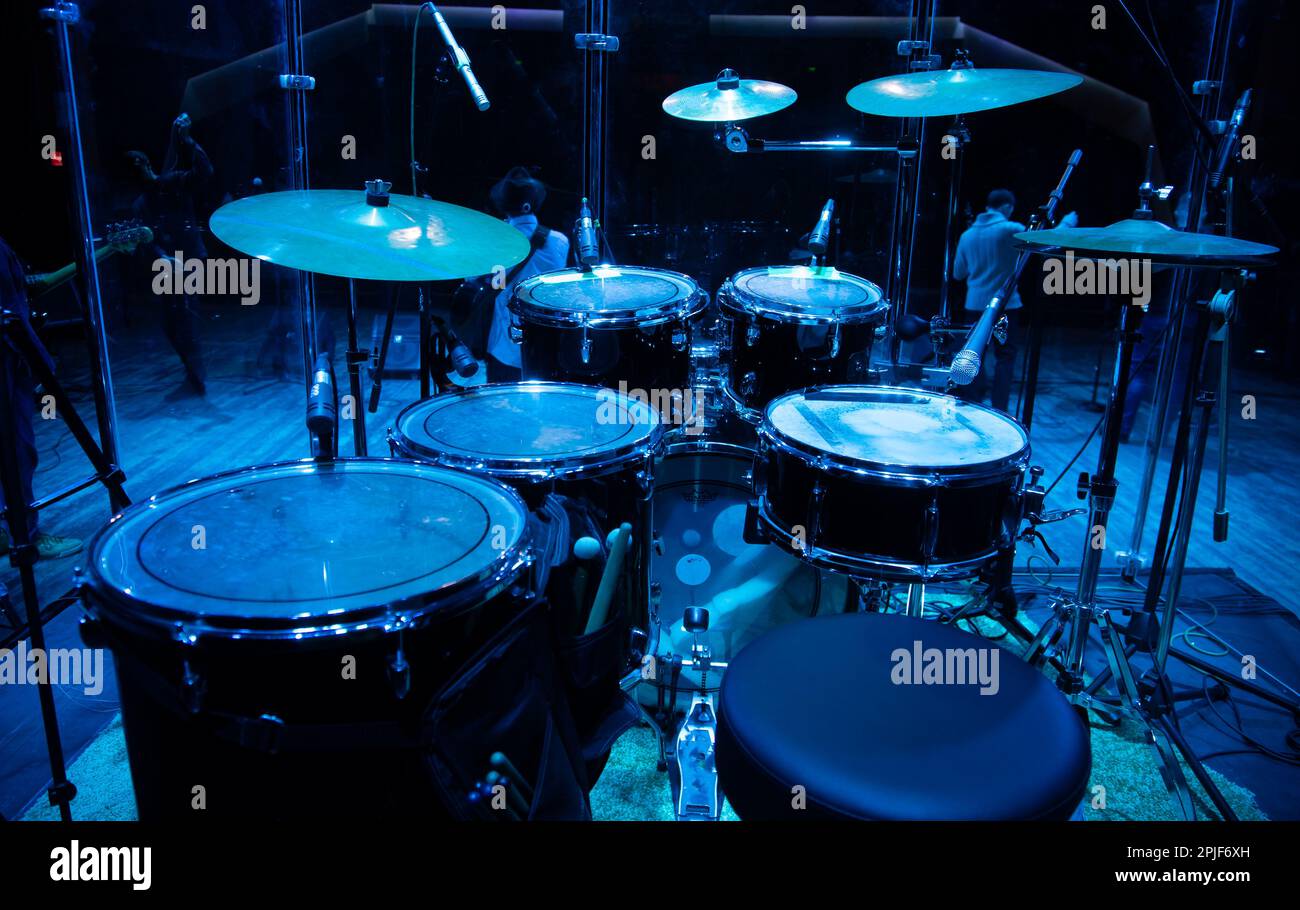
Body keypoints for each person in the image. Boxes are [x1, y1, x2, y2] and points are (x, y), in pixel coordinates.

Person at [952, 188, 1077, 412]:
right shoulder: (1010, 229)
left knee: (973, 355)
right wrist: (1067, 224)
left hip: (973, 305)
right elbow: (1046, 244)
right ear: (1007, 207)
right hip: (1006, 305)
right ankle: (999, 409)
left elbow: (958, 273)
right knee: (1005, 358)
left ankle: (972, 405)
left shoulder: (967, 235)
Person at [0, 235, 83, 562]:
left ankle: (13, 531)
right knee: (17, 452)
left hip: (13, 358)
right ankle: (27, 538)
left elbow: (26, 289)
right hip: (8, 359)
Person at [127, 113, 212, 395]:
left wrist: (188, 142)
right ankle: (192, 371)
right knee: (171, 324)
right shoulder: (141, 204)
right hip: (166, 268)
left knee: (186, 319)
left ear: (146, 164)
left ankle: (197, 377)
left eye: (139, 165)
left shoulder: (172, 183)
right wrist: (161, 256)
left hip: (189, 261)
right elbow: (144, 237)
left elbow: (204, 173)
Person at [479, 166, 570, 382]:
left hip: (503, 346)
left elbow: (490, 282)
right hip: (546, 345)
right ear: (532, 203)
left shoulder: (496, 242)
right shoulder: (560, 241)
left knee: (501, 410)